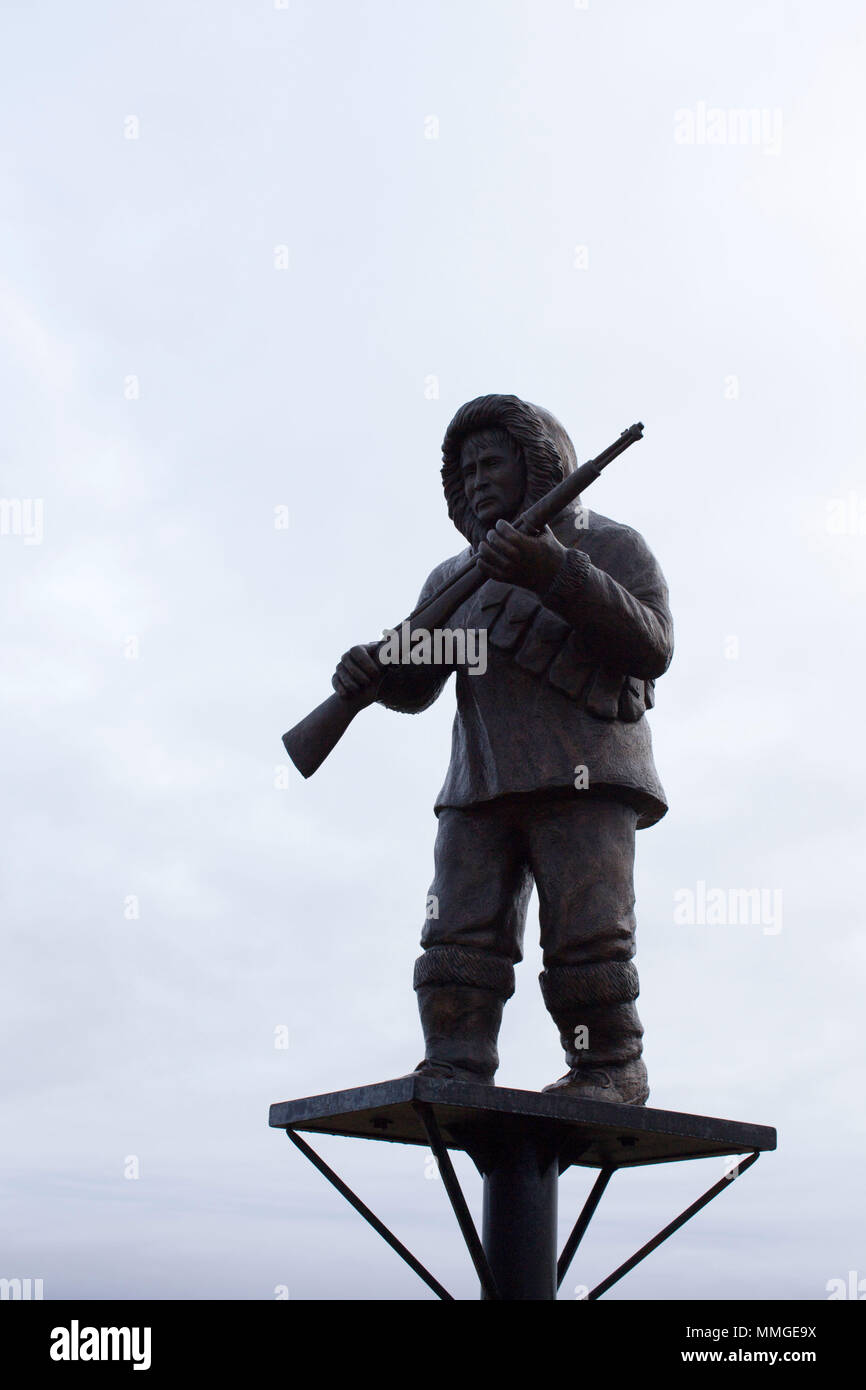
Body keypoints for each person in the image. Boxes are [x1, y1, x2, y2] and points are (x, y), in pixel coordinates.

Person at [332, 395, 673, 1103]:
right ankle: (456, 1061)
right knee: (457, 934)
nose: (478, 478)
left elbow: (651, 645)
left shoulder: (611, 546)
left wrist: (553, 570)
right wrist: (372, 673)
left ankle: (609, 1066)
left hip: (587, 777)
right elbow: (420, 677)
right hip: (479, 780)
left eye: (493, 461)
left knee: (587, 936)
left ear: (536, 462)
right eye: (466, 468)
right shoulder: (454, 579)